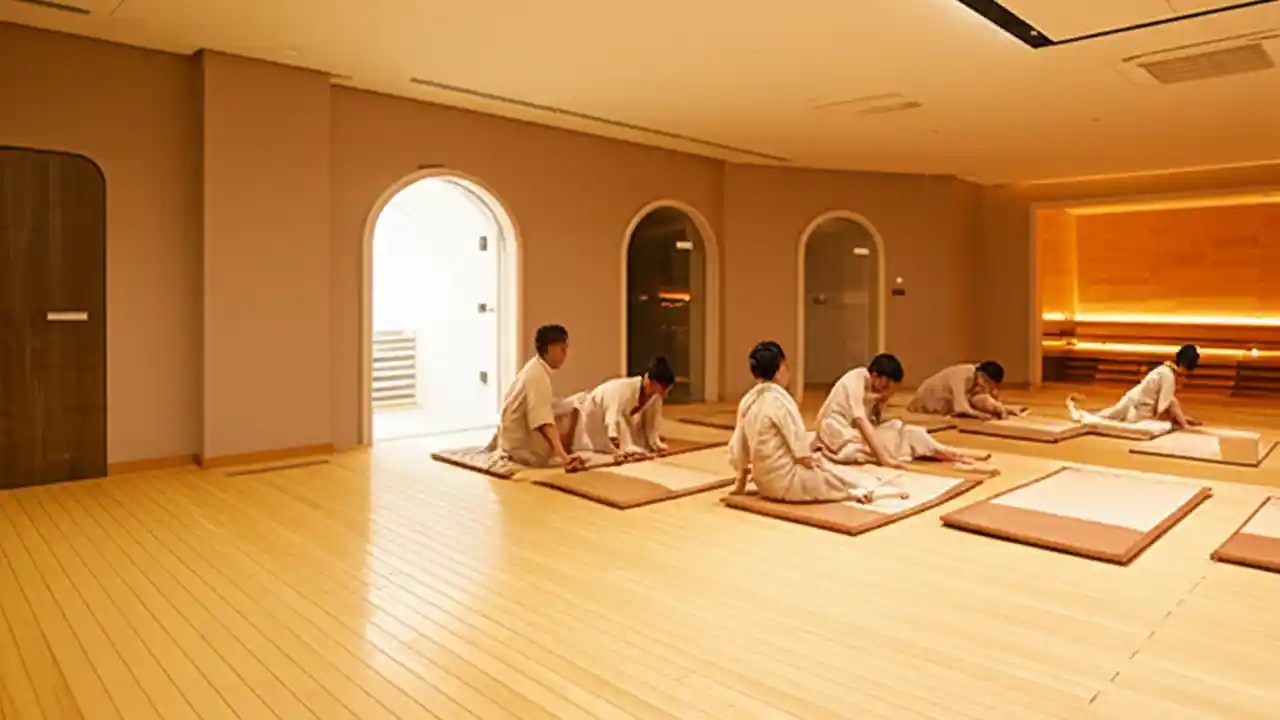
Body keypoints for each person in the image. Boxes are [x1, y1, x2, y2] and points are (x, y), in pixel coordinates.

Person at [728, 342, 906, 503]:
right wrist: (814, 464)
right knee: (835, 478)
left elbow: (738, 447)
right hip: (786, 482)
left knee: (831, 469)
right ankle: (864, 492)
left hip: (763, 483)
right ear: (778, 371)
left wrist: (740, 483)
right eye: (785, 366)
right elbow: (800, 448)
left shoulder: (747, 401)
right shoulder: (781, 401)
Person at [814, 354, 984, 467]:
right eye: (886, 384)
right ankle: (946, 453)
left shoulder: (872, 388)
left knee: (906, 430)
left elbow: (874, 421)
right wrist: (884, 460)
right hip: (837, 432)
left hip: (854, 431)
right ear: (875, 375)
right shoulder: (855, 379)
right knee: (860, 451)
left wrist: (881, 403)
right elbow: (860, 420)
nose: (887, 389)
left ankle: (949, 452)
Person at [489, 324, 583, 469]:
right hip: (521, 453)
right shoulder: (538, 376)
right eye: (562, 348)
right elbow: (543, 422)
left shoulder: (532, 369)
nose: (565, 353)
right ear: (549, 349)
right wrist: (563, 455)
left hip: (510, 446)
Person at [1068, 344, 1201, 429]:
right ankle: (1077, 411)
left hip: (1133, 401)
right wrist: (1182, 423)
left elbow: (1169, 401)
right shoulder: (1168, 375)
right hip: (1137, 409)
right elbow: (1164, 406)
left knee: (1106, 416)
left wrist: (1182, 419)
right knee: (1103, 419)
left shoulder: (1165, 371)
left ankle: (1079, 412)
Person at [567, 357, 676, 458]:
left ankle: (627, 446)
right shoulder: (622, 388)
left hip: (619, 419)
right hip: (595, 413)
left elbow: (652, 423)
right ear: (649, 380)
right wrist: (613, 433)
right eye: (663, 388)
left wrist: (654, 441)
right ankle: (623, 446)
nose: (664, 393)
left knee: (640, 444)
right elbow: (613, 413)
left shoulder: (656, 396)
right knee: (611, 439)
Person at [907, 360, 1026, 419]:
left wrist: (1002, 408)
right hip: (926, 405)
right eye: (986, 382)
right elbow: (961, 407)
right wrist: (983, 416)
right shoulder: (963, 375)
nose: (986, 387)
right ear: (982, 376)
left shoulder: (976, 378)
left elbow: (981, 399)